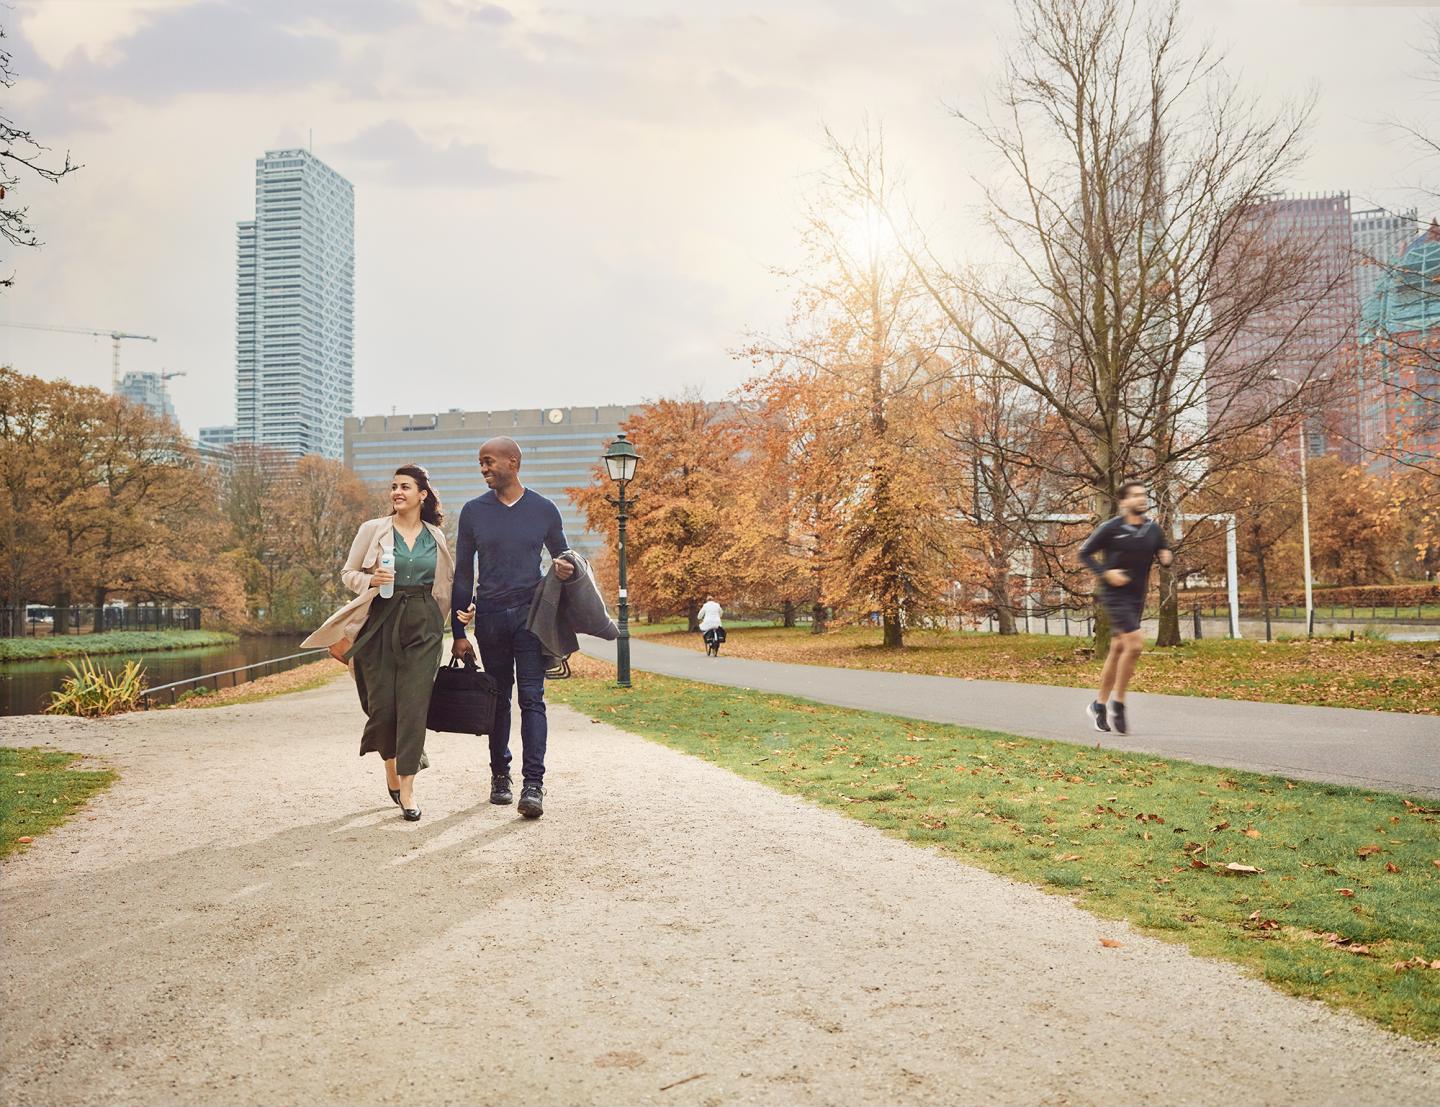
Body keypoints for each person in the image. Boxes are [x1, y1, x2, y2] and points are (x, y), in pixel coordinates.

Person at [303, 465, 470, 821]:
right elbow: (348, 573)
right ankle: (390, 766)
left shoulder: (436, 536)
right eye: (394, 486)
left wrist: (460, 618)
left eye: (405, 487)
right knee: (383, 707)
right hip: (380, 621)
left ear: (422, 494)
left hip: (424, 624)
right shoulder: (372, 530)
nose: (397, 492)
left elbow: (447, 584)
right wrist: (370, 580)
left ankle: (407, 790)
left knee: (414, 705)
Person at [451, 437, 573, 819]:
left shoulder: (544, 509)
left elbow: (563, 558)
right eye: (480, 463)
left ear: (513, 462)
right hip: (490, 617)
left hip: (530, 617)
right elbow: (463, 573)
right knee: (499, 698)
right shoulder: (473, 512)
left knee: (532, 698)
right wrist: (458, 633)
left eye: (489, 461)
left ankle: (533, 784)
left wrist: (565, 569)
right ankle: (500, 774)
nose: (483, 469)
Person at [1077, 480, 1173, 736]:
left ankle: (1099, 705)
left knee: (1119, 648)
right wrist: (1105, 573)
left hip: (1137, 597)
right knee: (1136, 644)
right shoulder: (1110, 528)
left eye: (1144, 494)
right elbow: (1084, 553)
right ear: (1123, 502)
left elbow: (1163, 550)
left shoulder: (1153, 529)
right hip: (1114, 594)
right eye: (1136, 495)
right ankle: (1118, 704)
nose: (1142, 498)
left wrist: (1166, 556)